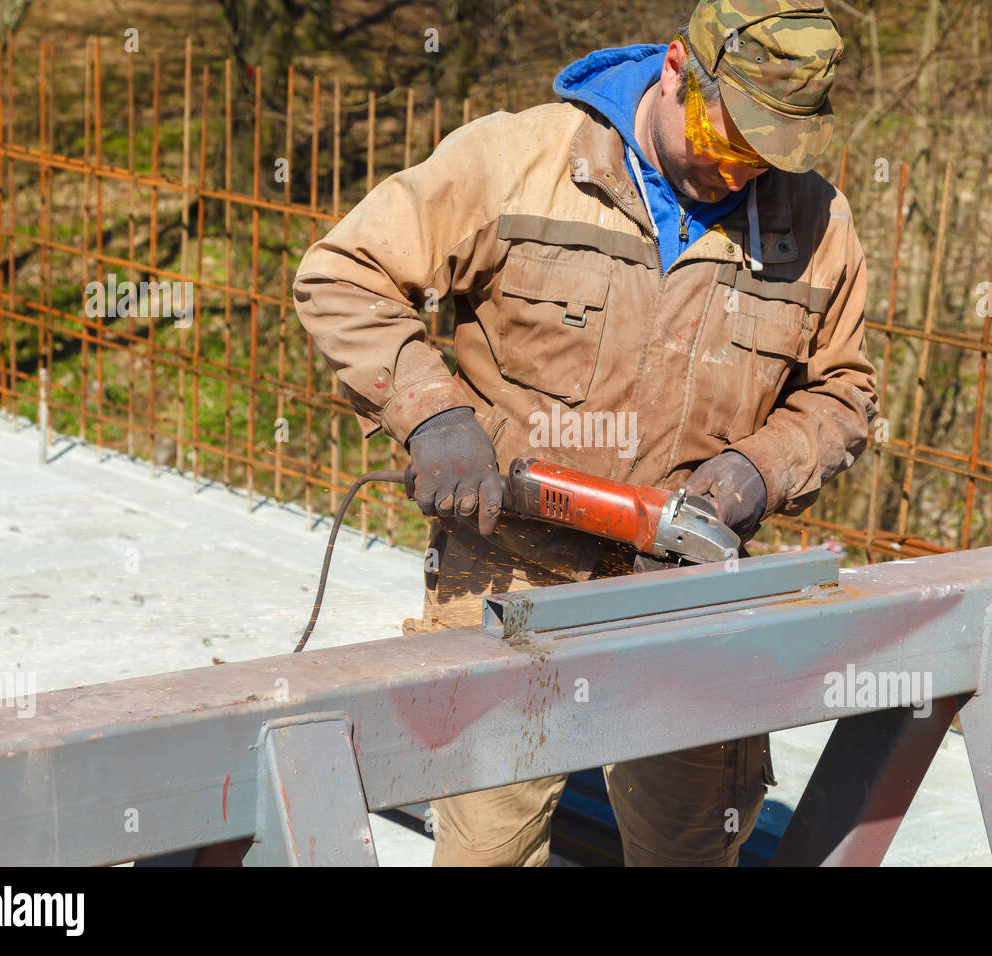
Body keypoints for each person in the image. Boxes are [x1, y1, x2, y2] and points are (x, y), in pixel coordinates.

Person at [294, 0, 879, 866]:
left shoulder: (812, 223)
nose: (740, 173)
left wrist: (755, 471)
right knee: (486, 851)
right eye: (728, 142)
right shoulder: (517, 162)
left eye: (769, 153)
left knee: (690, 849)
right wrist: (434, 411)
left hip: (686, 595)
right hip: (512, 576)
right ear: (679, 68)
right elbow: (343, 275)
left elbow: (842, 393)